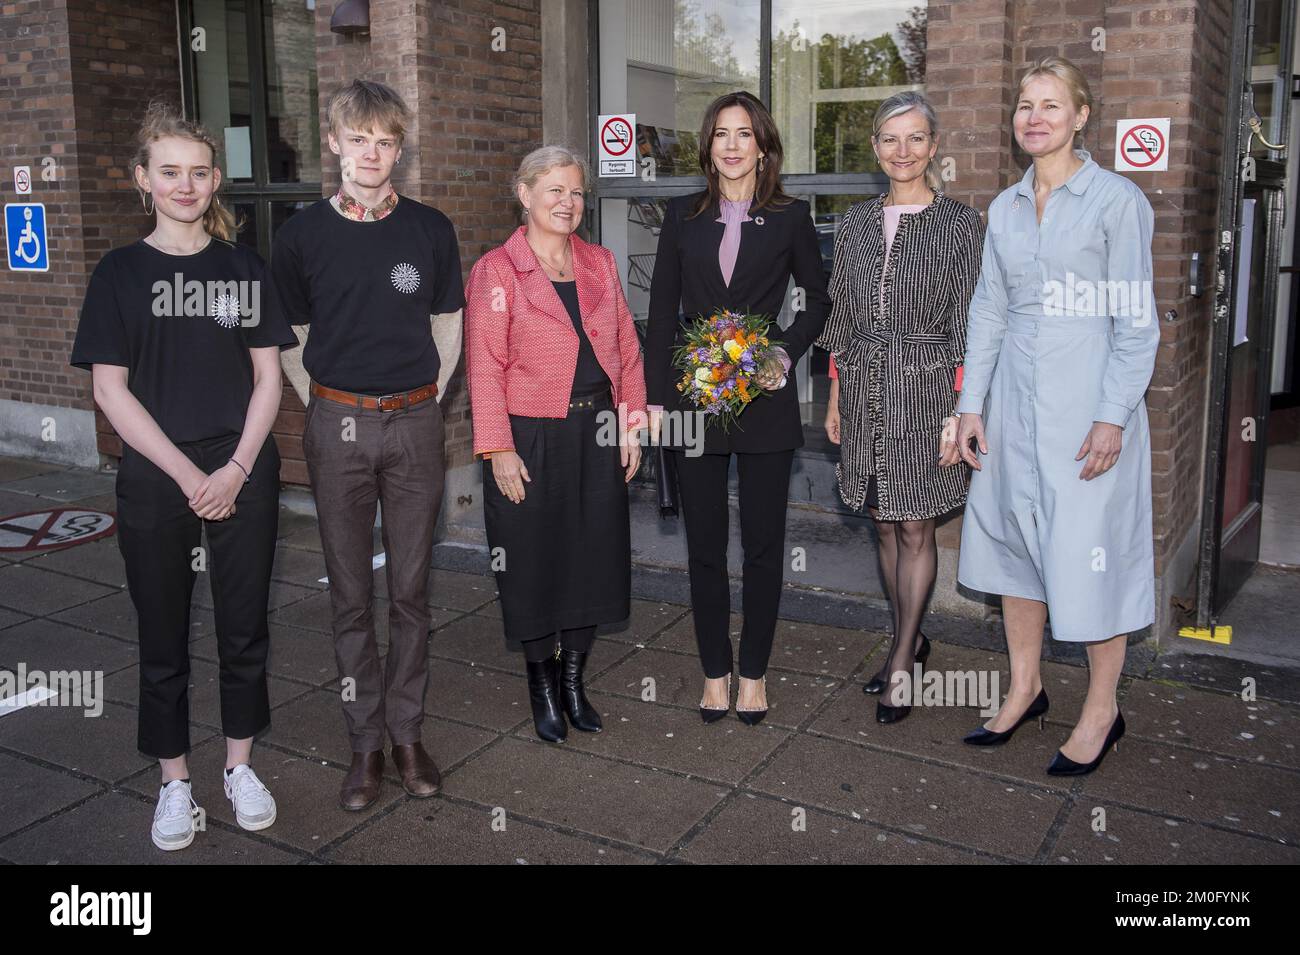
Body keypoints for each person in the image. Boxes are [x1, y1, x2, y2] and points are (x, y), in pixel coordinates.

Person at [70, 101, 297, 850]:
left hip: (243, 469)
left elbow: (270, 378)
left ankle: (238, 767)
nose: (185, 184)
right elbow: (110, 389)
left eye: (198, 172)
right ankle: (174, 782)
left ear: (214, 180)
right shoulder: (119, 273)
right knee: (162, 632)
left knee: (243, 627)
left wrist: (233, 468)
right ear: (144, 180)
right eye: (169, 172)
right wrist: (184, 471)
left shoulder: (244, 267)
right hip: (156, 476)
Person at [954, 57, 1159, 775]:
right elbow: (989, 310)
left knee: (1089, 555)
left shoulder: (1117, 201)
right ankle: (1026, 687)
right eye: (1023, 105)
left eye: (1050, 105)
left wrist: (1114, 415)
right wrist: (971, 405)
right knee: (1016, 550)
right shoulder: (1004, 208)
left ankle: (1102, 708)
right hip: (1013, 403)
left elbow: (1137, 322)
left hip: (1087, 404)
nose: (1034, 117)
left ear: (1080, 116)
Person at [267, 79, 465, 809]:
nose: (373, 152)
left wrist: (422, 401)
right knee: (351, 595)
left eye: (385, 140)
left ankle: (407, 733)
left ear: (399, 148)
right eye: (360, 139)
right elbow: (291, 340)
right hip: (336, 426)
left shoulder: (430, 229)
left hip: (414, 423)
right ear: (334, 142)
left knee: (411, 593)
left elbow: (449, 323)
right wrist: (329, 402)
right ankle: (363, 743)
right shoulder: (300, 235)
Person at [645, 91, 831, 725]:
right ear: (709, 145)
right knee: (703, 545)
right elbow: (661, 313)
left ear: (763, 147)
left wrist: (784, 353)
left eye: (744, 134)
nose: (731, 145)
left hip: (762, 401)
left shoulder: (789, 217)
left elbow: (817, 298)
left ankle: (753, 674)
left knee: (761, 546)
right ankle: (714, 673)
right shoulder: (681, 217)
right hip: (694, 396)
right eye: (721, 133)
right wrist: (657, 403)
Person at [464, 146, 646, 742]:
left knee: (593, 555)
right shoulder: (498, 269)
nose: (568, 203)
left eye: (576, 192)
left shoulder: (599, 262)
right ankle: (541, 682)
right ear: (525, 195)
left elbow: (625, 344)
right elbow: (485, 366)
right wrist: (497, 447)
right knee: (533, 559)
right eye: (555, 191)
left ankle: (574, 680)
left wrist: (632, 423)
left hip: (596, 429)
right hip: (530, 435)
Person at [817, 91, 983, 723]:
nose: (903, 151)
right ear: (876, 147)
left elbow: (972, 321)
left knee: (915, 524)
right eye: (891, 139)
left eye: (915, 139)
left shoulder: (963, 225)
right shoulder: (855, 223)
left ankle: (901, 660)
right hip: (862, 387)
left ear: (933, 146)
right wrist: (834, 393)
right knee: (883, 521)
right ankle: (908, 638)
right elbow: (842, 314)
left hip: (928, 387)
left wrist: (961, 409)